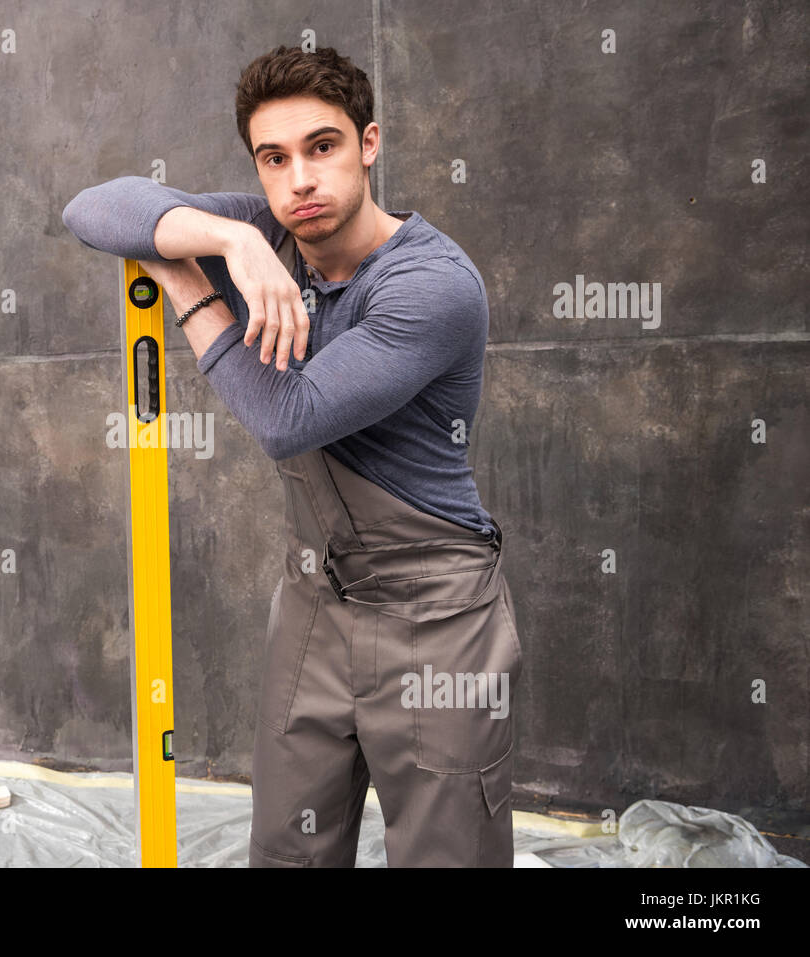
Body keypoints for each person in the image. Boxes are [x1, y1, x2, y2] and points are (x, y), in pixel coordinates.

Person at [62, 45, 522, 867]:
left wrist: (194, 289)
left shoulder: (431, 285)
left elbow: (287, 416)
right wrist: (231, 239)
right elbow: (95, 208)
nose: (299, 180)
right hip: (313, 603)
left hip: (435, 616)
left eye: (323, 146)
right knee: (287, 849)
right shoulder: (269, 231)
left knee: (447, 853)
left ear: (369, 144)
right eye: (273, 159)